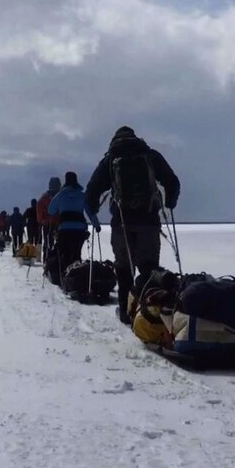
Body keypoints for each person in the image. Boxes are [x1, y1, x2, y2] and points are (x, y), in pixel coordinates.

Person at [85, 126, 180, 325]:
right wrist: (170, 202)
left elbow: (93, 189)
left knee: (124, 267)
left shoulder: (111, 160)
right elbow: (172, 181)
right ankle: (149, 311)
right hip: (148, 218)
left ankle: (126, 311)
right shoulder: (149, 155)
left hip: (122, 220)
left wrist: (92, 209)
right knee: (149, 267)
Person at [47, 171, 101, 289]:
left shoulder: (60, 195)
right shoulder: (82, 195)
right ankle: (77, 277)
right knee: (76, 254)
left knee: (64, 254)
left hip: (64, 230)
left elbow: (50, 210)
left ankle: (65, 280)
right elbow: (90, 212)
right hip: (79, 230)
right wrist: (96, 225)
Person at [37, 176, 62, 251]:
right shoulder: (61, 196)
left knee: (48, 242)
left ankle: (47, 258)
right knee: (59, 241)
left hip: (47, 223)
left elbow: (39, 210)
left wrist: (41, 221)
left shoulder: (44, 197)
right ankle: (58, 257)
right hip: (60, 223)